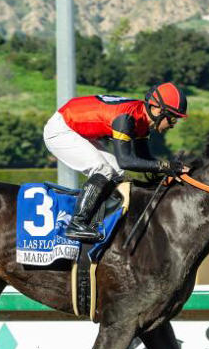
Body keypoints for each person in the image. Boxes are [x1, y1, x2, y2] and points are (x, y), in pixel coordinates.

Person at [43, 82, 188, 243]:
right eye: (172, 118)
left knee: (117, 171)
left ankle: (99, 219)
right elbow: (126, 160)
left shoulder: (142, 120)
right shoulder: (126, 119)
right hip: (61, 130)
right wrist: (165, 166)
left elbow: (143, 159)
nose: (173, 125)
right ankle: (77, 224)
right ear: (157, 110)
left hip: (79, 130)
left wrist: (168, 171)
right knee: (103, 169)